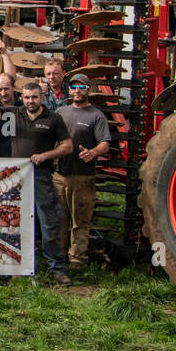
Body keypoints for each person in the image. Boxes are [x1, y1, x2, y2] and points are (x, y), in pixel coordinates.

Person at [0, 81, 74, 285]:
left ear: (41, 97)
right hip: (17, 178)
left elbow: (67, 146)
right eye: (26, 97)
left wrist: (46, 155)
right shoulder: (14, 113)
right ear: (21, 98)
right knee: (11, 221)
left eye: (34, 97)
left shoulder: (54, 119)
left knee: (49, 222)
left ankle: (55, 268)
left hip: (41, 176)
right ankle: (8, 266)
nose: (30, 101)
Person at [52, 73, 111, 270]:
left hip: (83, 177)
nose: (77, 91)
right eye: (74, 87)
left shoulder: (96, 115)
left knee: (80, 222)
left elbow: (105, 143)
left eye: (82, 87)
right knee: (60, 220)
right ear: (69, 90)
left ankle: (77, 261)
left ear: (89, 90)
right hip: (60, 175)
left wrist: (93, 152)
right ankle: (58, 259)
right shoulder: (61, 111)